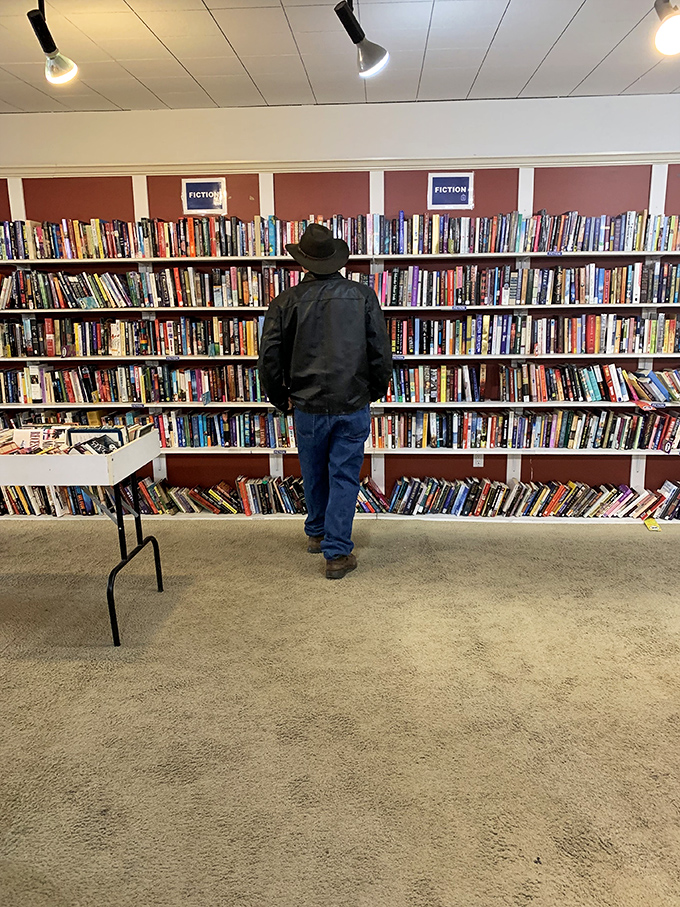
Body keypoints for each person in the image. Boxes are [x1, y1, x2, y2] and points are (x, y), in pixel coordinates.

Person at [258, 223, 392, 579]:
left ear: (303, 262)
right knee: (344, 476)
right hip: (352, 402)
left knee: (313, 472)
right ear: (336, 259)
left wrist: (279, 398)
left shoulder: (284, 301)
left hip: (306, 404)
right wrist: (373, 391)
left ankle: (318, 534)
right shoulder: (362, 295)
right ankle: (336, 553)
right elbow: (380, 351)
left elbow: (269, 356)